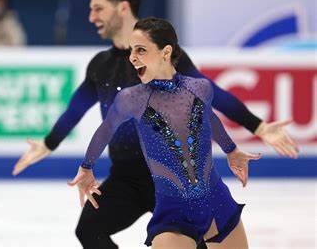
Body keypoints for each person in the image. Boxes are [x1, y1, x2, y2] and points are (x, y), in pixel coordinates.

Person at [13, 0, 299, 248]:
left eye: (98, 8)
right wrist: (49, 144)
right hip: (127, 179)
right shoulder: (101, 66)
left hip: (177, 180)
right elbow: (75, 110)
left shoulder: (169, 60)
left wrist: (258, 126)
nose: (91, 17)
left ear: (122, 7)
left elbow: (210, 97)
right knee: (89, 229)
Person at [69, 17, 261, 248]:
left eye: (141, 50)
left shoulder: (199, 87)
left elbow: (209, 118)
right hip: (174, 213)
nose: (132, 58)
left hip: (217, 200)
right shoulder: (132, 98)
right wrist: (86, 167)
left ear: (165, 52)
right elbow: (106, 129)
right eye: (131, 50)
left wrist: (231, 150)